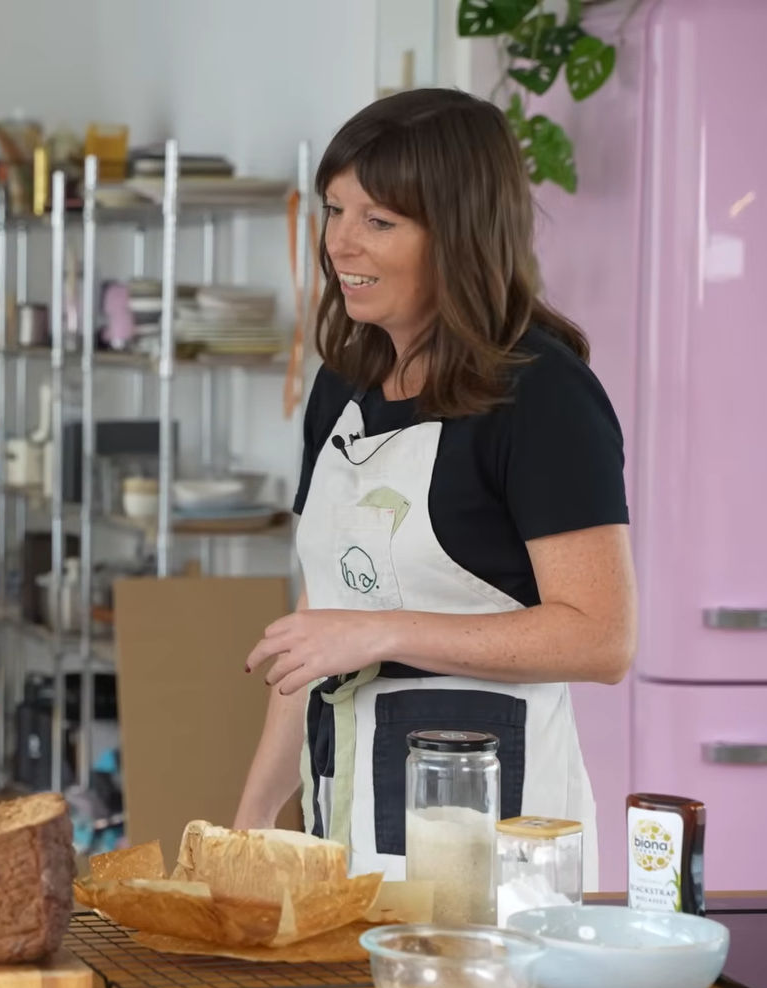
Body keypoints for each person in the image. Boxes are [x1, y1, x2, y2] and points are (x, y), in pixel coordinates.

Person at [232, 88, 636, 888]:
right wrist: (249, 824)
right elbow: (319, 633)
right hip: (340, 832)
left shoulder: (543, 394)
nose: (340, 244)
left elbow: (602, 638)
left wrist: (381, 632)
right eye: (334, 209)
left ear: (458, 234)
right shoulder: (344, 384)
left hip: (500, 858)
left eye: (379, 222)